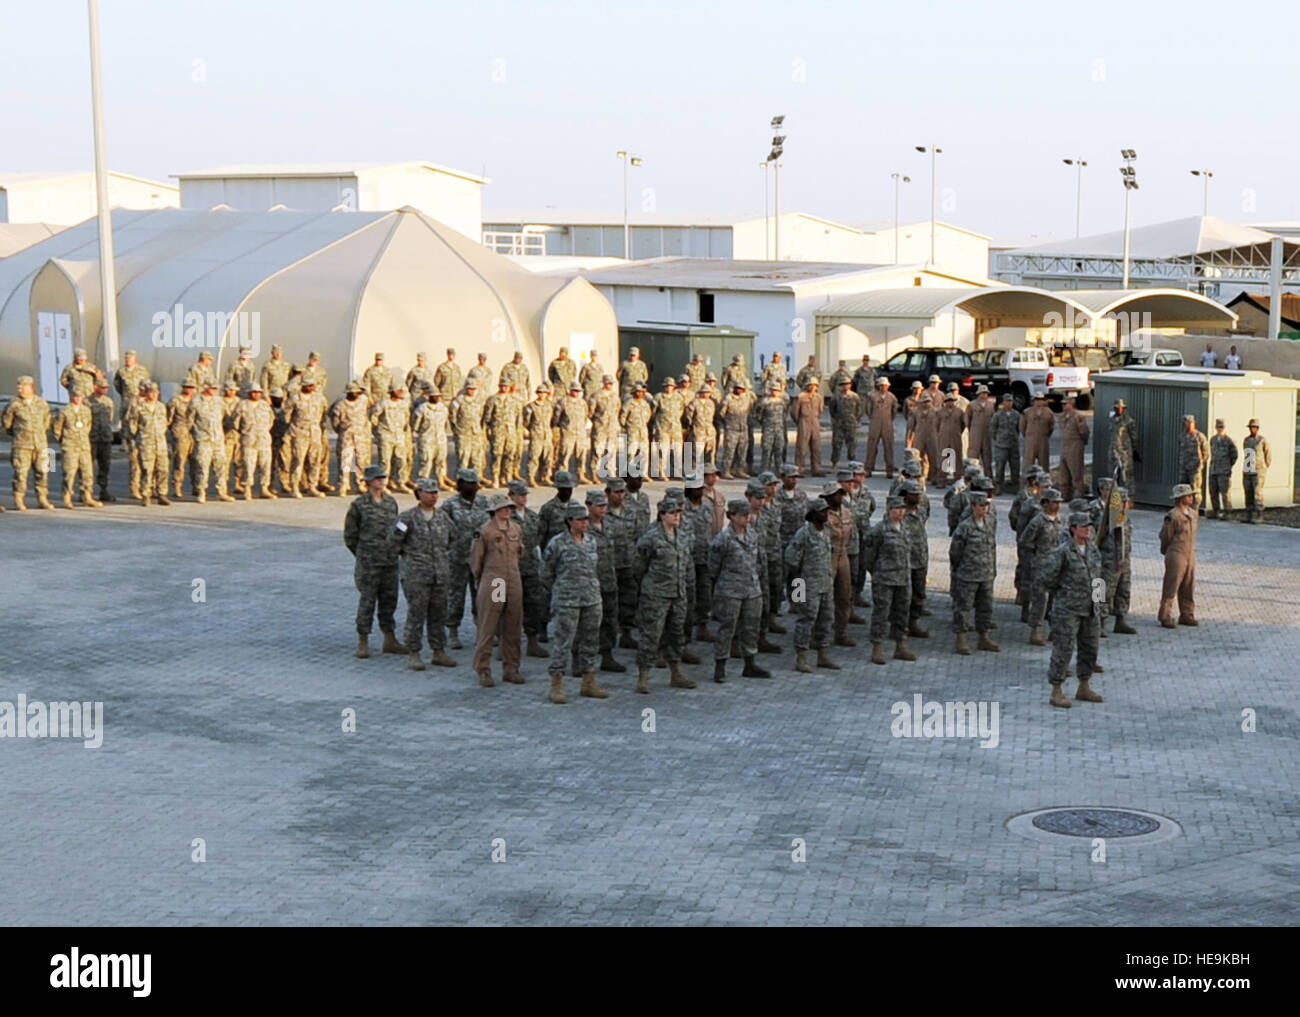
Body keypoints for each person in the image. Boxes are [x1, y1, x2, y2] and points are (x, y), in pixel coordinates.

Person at [542, 502, 606, 703]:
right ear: (569, 521)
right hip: (567, 601)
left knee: (590, 641)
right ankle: (557, 684)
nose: (584, 523)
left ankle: (588, 682)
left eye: (586, 519)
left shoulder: (591, 541)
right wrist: (560, 590)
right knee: (563, 642)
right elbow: (545, 573)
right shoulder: (557, 543)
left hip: (591, 599)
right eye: (579, 520)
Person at [1041, 510, 1105, 709]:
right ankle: (1056, 690)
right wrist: (1063, 596)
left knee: (1089, 648)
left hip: (1090, 609)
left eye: (1089, 526)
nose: (1088, 529)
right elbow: (1048, 579)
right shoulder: (1063, 552)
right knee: (1063, 649)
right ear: (1073, 529)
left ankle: (1084, 686)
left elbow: (1099, 578)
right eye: (1083, 526)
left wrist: (1100, 605)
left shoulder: (1093, 551)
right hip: (1067, 610)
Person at [391, 477, 456, 670]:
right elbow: (394, 541)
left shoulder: (442, 517)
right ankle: (414, 652)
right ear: (419, 494)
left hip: (440, 575)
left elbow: (454, 538)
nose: (434, 496)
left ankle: (438, 651)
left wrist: (442, 556)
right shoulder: (407, 518)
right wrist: (410, 558)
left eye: (436, 492)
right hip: (416, 575)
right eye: (429, 492)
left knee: (439, 613)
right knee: (416, 613)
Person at [634, 496, 696, 694]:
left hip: (678, 594)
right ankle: (644, 676)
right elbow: (639, 566)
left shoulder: (684, 536)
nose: (676, 517)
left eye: (678, 513)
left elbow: (687, 565)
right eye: (672, 513)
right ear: (662, 515)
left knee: (677, 634)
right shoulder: (651, 538)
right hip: (656, 595)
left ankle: (676, 672)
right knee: (651, 636)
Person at [344, 464, 403, 659]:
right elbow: (350, 536)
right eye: (377, 478)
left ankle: (390, 639)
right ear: (368, 481)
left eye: (383, 478)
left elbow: (397, 530)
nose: (381, 481)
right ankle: (363, 640)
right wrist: (363, 553)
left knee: (389, 600)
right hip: (369, 563)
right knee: (367, 601)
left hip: (389, 561)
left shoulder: (391, 503)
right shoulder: (359, 505)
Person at [709, 498, 770, 681]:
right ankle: (720, 665)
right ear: (731, 516)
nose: (747, 518)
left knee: (751, 627)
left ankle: (749, 664)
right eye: (742, 515)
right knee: (727, 629)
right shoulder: (723, 539)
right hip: (730, 591)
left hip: (752, 590)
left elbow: (760, 561)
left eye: (747, 514)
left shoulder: (753, 535)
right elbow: (713, 568)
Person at [469, 492, 525, 687]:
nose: (506, 511)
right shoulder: (485, 531)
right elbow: (476, 561)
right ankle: (483, 669)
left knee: (513, 625)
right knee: (489, 625)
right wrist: (482, 581)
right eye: (502, 509)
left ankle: (511, 668)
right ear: (494, 511)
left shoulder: (516, 528)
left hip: (513, 579)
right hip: (496, 581)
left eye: (509, 508)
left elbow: (520, 553)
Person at [785, 496, 837, 672]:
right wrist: (796, 591)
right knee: (806, 620)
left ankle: (823, 655)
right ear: (813, 514)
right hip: (806, 585)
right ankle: (801, 657)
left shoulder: (827, 531)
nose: (826, 514)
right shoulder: (804, 533)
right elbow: (791, 560)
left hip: (825, 583)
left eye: (826, 511)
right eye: (822, 511)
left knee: (827, 619)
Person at [863, 494, 914, 664]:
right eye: (897, 509)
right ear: (888, 510)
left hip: (903, 579)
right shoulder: (879, 530)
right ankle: (877, 647)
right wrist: (876, 573)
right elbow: (869, 555)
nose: (900, 512)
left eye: (902, 509)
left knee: (901, 613)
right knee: (881, 614)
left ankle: (900, 645)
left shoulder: (906, 528)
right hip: (884, 579)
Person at [441, 468, 488, 649]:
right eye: (468, 483)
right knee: (455, 596)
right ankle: (452, 631)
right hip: (457, 560)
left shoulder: (485, 502)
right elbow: (443, 530)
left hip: (480, 559)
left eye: (475, 483)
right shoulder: (450, 505)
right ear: (460, 485)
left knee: (482, 596)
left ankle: (483, 631)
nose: (473, 486)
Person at [948, 490, 999, 655]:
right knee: (964, 607)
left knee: (986, 607)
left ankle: (983, 637)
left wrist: (993, 569)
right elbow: (955, 552)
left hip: (986, 574)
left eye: (985, 506)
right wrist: (959, 569)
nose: (983, 509)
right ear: (973, 507)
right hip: (968, 574)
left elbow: (992, 547)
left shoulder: (989, 524)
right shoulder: (965, 527)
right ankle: (961, 639)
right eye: (980, 506)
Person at [584, 487, 623, 674]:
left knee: (609, 621)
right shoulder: (583, 528)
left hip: (609, 582)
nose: (603, 509)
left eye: (604, 506)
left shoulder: (610, 526)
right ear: (588, 506)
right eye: (598, 506)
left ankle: (607, 656)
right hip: (590, 584)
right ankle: (580, 659)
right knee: (586, 624)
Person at [1021, 487, 1064, 645]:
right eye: (1054, 502)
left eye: (1059, 503)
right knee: (1040, 599)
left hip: (1057, 564)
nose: (1058, 506)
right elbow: (1025, 540)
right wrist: (1037, 556)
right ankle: (1035, 630)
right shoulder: (1038, 521)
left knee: (1056, 599)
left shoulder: (1061, 520)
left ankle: (1054, 629)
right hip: (1041, 565)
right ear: (1046, 503)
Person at [1158, 483, 1199, 628]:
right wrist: (1167, 551)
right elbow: (1165, 536)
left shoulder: (1193, 514)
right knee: (1172, 584)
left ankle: (1187, 614)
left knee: (1189, 584)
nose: (1191, 497)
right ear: (1180, 498)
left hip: (1190, 553)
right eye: (1188, 495)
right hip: (1177, 553)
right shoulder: (1173, 515)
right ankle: (1165, 615)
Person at [52, 390, 100, 508]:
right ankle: (67, 496)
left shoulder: (86, 411)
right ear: (70, 396)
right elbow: (57, 429)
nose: (78, 398)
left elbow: (88, 426)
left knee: (87, 472)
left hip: (83, 445)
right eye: (75, 396)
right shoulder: (65, 411)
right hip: (70, 445)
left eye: (80, 396)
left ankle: (87, 496)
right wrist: (64, 441)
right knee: (69, 472)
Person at [191, 380, 235, 503]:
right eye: (212, 388)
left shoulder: (219, 402)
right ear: (205, 388)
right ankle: (201, 491)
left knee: (221, 465)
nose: (215, 390)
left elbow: (227, 419)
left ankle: (222, 491)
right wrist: (195, 436)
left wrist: (225, 434)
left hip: (218, 440)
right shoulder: (196, 402)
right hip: (204, 439)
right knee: (203, 466)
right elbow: (190, 421)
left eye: (216, 388)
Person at [131, 381, 171, 506]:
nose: (153, 395)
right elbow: (133, 426)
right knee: (147, 470)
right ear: (145, 393)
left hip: (160, 443)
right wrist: (138, 440)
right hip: (146, 443)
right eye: (150, 393)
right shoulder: (139, 408)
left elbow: (165, 423)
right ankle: (146, 494)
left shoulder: (161, 407)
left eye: (155, 393)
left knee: (163, 469)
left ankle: (162, 494)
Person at [232, 383, 274, 500]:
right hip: (249, 439)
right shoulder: (242, 405)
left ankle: (264, 488)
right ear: (249, 393)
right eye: (254, 392)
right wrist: (246, 432)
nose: (256, 394)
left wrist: (263, 431)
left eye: (259, 392)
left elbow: (271, 420)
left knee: (265, 465)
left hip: (264, 440)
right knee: (248, 465)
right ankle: (247, 489)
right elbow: (236, 422)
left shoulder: (265, 405)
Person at [863, 377, 897, 477]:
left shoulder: (892, 397)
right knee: (872, 446)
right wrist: (873, 418)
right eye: (881, 385)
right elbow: (868, 409)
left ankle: (889, 470)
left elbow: (894, 411)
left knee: (888, 447)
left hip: (887, 424)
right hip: (875, 423)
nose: (883, 387)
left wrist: (889, 419)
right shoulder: (872, 396)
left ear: (888, 386)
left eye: (885, 385)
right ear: (878, 386)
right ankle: (868, 468)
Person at [89, 379, 117, 502]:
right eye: (102, 387)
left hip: (105, 438)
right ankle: (86, 492)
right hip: (92, 438)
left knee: (105, 466)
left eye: (106, 387)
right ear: (95, 387)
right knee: (88, 467)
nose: (105, 390)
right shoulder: (87, 402)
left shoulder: (109, 402)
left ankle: (103, 490)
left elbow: (110, 418)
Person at [792, 378, 824, 476]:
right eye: (810, 385)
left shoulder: (819, 397)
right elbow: (794, 412)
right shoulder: (800, 397)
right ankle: (800, 468)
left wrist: (816, 419)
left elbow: (820, 410)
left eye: (814, 385)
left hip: (814, 421)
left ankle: (816, 469)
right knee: (802, 447)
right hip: (804, 421)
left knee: (816, 447)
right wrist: (800, 421)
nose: (812, 387)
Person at [989, 393, 1020, 494]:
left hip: (1013, 445)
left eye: (1010, 401)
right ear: (1003, 402)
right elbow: (993, 429)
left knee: (1015, 466)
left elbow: (1019, 429)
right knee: (1000, 467)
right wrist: (998, 439)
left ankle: (1015, 486)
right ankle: (998, 486)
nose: (1009, 403)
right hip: (1001, 445)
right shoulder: (997, 415)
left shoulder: (1017, 415)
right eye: (1007, 401)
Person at [1177, 415, 1209, 511]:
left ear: (1194, 423)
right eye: (1186, 423)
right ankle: (1183, 509)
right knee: (1183, 489)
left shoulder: (1199, 436)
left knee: (1195, 490)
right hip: (1184, 468)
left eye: (1190, 423)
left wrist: (1200, 464)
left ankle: (1194, 510)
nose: (1188, 425)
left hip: (1195, 469)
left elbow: (1206, 453)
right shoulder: (1182, 436)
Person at [829, 377, 863, 467]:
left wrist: (855, 419)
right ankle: (834, 462)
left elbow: (859, 410)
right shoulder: (835, 397)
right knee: (836, 443)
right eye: (843, 384)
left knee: (852, 443)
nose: (845, 386)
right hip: (839, 423)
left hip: (851, 422)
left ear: (850, 385)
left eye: (847, 384)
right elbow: (832, 410)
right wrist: (836, 419)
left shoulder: (855, 396)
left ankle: (852, 461)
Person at [1207, 419, 1237, 519]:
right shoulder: (1213, 439)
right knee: (1213, 491)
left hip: (1224, 471)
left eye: (1222, 427)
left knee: (1225, 492)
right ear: (1216, 428)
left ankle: (1227, 512)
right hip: (1214, 469)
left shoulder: (1229, 441)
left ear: (1225, 428)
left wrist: (1227, 465)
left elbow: (1234, 455)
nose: (1220, 429)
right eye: (1218, 427)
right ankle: (1216, 511)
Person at [1242, 418, 1270, 523]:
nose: (1251, 429)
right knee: (1248, 492)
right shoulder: (1246, 440)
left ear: (1257, 428)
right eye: (1250, 427)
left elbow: (1268, 455)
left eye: (1253, 427)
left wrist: (1264, 467)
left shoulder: (1262, 440)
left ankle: (1259, 514)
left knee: (1257, 493)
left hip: (1258, 470)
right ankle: (1249, 514)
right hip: (1248, 469)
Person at [1020, 391, 1053, 474]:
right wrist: (1029, 436)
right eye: (1037, 400)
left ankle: (1044, 485)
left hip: (1043, 442)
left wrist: (1044, 436)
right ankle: (1025, 485)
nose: (1039, 402)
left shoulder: (1049, 413)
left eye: (1041, 400)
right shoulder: (1026, 412)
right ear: (1033, 401)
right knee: (1027, 465)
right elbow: (1022, 427)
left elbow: (1051, 428)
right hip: (1030, 442)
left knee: (1044, 466)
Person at [1109, 399, 1138, 487]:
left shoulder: (1129, 421)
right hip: (1113, 452)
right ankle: (1115, 498)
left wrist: (1133, 450)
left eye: (1120, 408)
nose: (1119, 410)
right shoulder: (1112, 420)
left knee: (1126, 477)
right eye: (1117, 408)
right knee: (1113, 478)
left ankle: (1128, 498)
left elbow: (1134, 437)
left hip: (1124, 452)